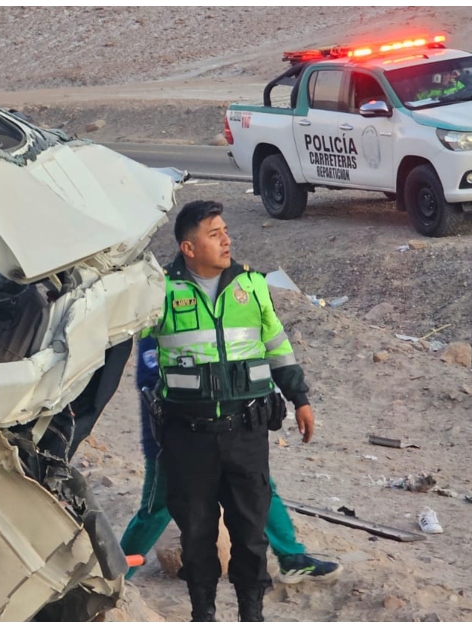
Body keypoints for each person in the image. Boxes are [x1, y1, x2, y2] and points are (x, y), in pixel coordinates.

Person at [148, 200, 315, 622]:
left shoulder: (252, 285)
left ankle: (251, 614)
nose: (227, 240)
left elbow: (277, 344)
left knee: (250, 536)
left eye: (225, 230)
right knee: (198, 536)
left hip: (246, 432)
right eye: (214, 233)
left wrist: (300, 398)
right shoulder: (161, 291)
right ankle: (202, 614)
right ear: (188, 247)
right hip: (188, 437)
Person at [120, 336, 342, 584]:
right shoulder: (161, 312)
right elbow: (151, 382)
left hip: (226, 429)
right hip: (174, 437)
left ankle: (291, 557)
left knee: (258, 488)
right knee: (157, 509)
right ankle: (112, 575)